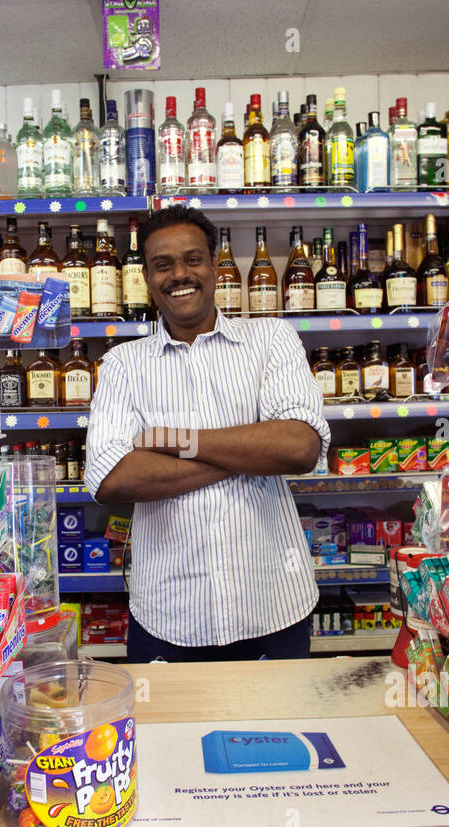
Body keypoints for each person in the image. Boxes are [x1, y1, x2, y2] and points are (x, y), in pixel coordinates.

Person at [84, 205, 329, 663]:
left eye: (193, 259)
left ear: (215, 267)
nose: (180, 274)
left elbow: (298, 447)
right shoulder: (123, 364)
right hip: (168, 616)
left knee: (280, 735)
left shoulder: (271, 339)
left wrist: (176, 442)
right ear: (147, 277)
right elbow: (111, 478)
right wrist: (248, 453)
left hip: (272, 606)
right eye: (162, 264)